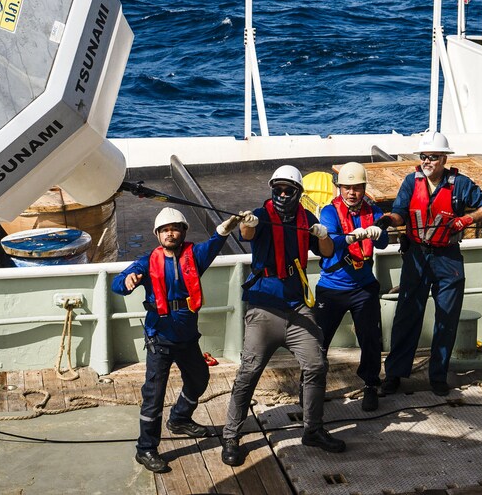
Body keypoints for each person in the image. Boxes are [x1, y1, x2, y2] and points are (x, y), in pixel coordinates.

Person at [221, 165, 343, 467]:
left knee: (316, 364)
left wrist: (323, 234)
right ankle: (231, 436)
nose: (283, 194)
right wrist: (247, 223)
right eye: (278, 189)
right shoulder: (259, 215)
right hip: (264, 308)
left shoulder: (307, 219)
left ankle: (313, 430)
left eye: (289, 190)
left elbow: (326, 252)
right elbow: (247, 232)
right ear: (272, 190)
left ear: (299, 193)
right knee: (248, 373)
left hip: (298, 307)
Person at [111, 206, 235, 473]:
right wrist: (128, 281)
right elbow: (118, 283)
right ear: (158, 235)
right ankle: (145, 449)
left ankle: (179, 419)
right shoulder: (146, 262)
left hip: (188, 338)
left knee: (199, 379)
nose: (170, 233)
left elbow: (215, 243)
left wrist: (225, 228)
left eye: (175, 228)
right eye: (165, 229)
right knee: (153, 396)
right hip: (160, 339)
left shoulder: (195, 257)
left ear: (183, 232)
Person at [380, 132, 482, 397]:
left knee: (446, 318)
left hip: (448, 258)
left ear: (444, 158)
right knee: (407, 315)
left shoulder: (461, 184)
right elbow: (400, 213)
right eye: (423, 156)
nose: (427, 161)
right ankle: (394, 374)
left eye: (432, 157)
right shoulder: (411, 182)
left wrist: (467, 220)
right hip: (417, 256)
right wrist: (387, 220)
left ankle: (438, 376)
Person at [315, 162, 389, 412]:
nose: (351, 193)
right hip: (332, 288)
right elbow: (331, 240)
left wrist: (380, 233)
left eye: (356, 188)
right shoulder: (329, 212)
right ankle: (312, 385)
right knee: (319, 341)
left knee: (370, 339)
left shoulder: (374, 212)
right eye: (346, 188)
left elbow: (383, 243)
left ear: (363, 188)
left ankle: (370, 385)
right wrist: (350, 237)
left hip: (364, 288)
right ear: (339, 188)